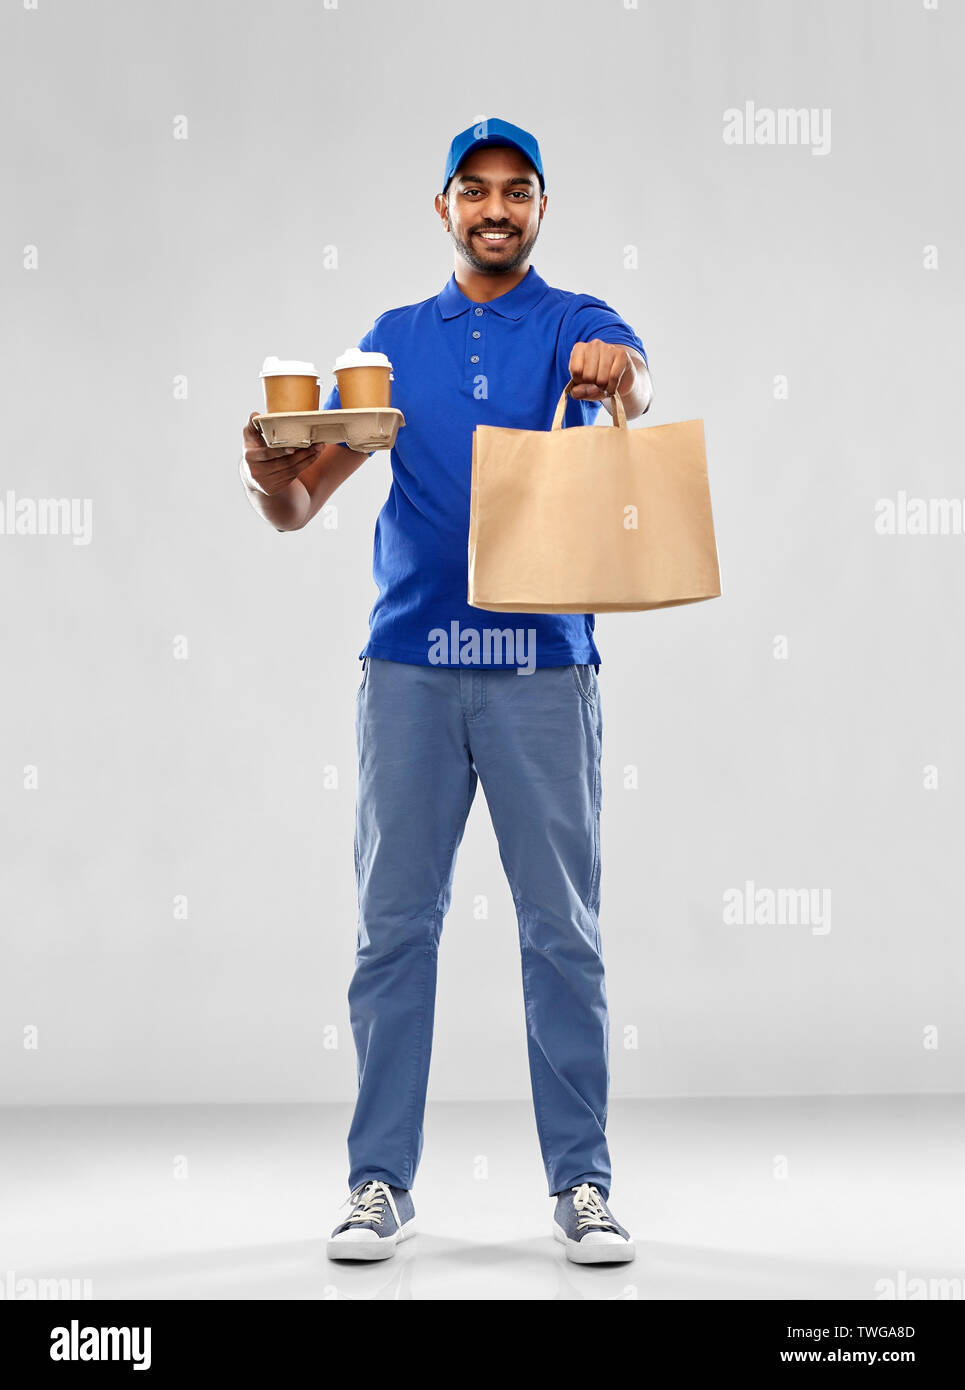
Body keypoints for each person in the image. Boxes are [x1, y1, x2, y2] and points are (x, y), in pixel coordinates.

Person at [240, 119, 652, 1266]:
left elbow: (639, 380)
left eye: (516, 193)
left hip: (540, 672)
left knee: (560, 933)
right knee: (392, 932)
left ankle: (582, 1186)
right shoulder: (389, 343)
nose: (495, 209)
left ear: (537, 209)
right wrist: (262, 471)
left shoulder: (575, 321)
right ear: (443, 209)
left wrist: (621, 371)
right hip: (410, 671)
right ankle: (378, 1184)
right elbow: (297, 506)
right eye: (473, 191)